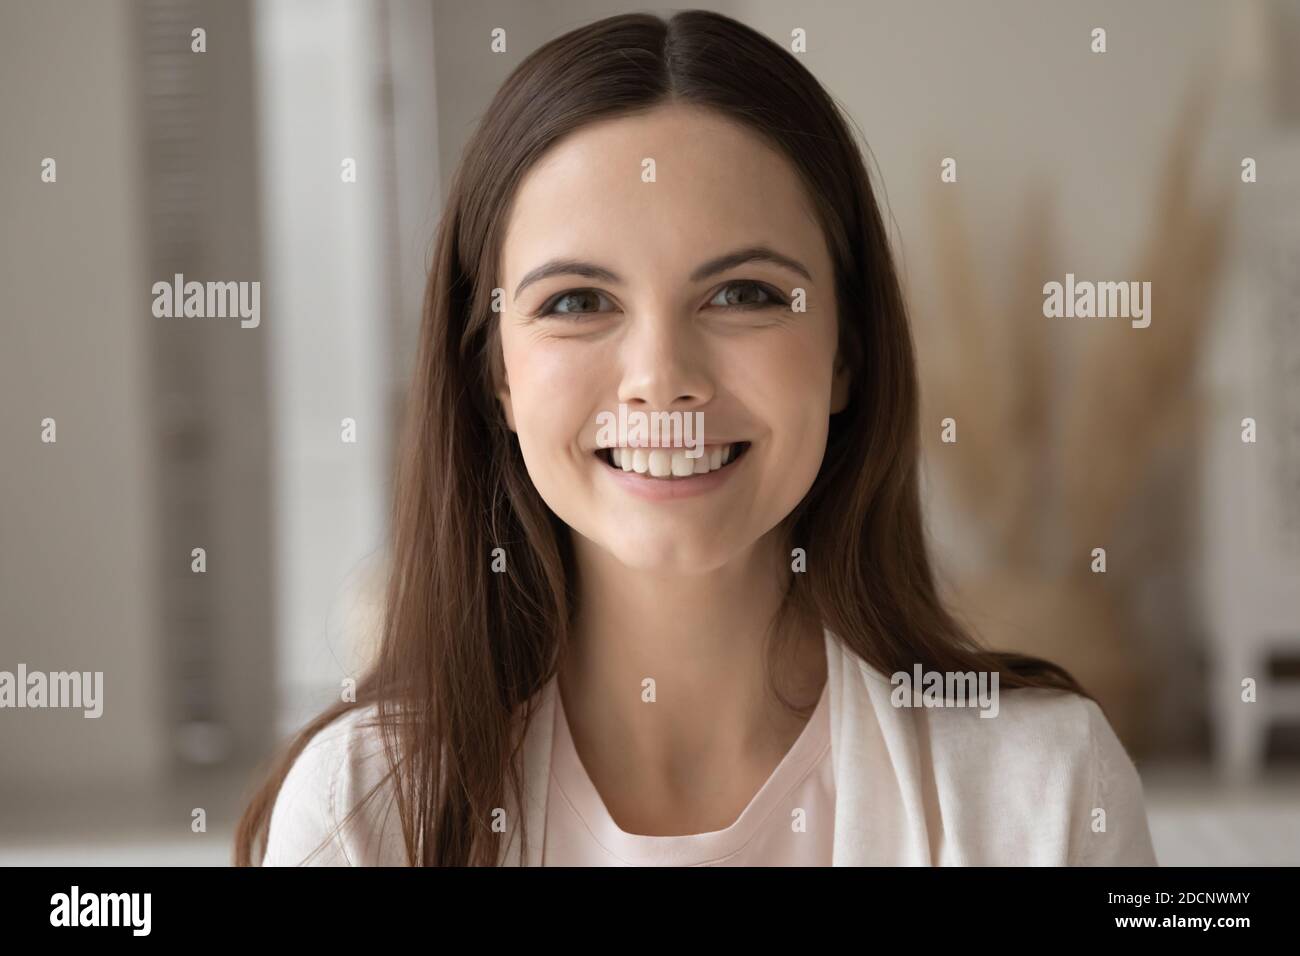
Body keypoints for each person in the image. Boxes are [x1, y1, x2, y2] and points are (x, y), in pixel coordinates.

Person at [235, 9, 1157, 867]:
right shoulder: (364, 812)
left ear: (847, 353)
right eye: (578, 302)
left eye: (744, 293)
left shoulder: (1043, 792)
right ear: (499, 376)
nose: (661, 374)